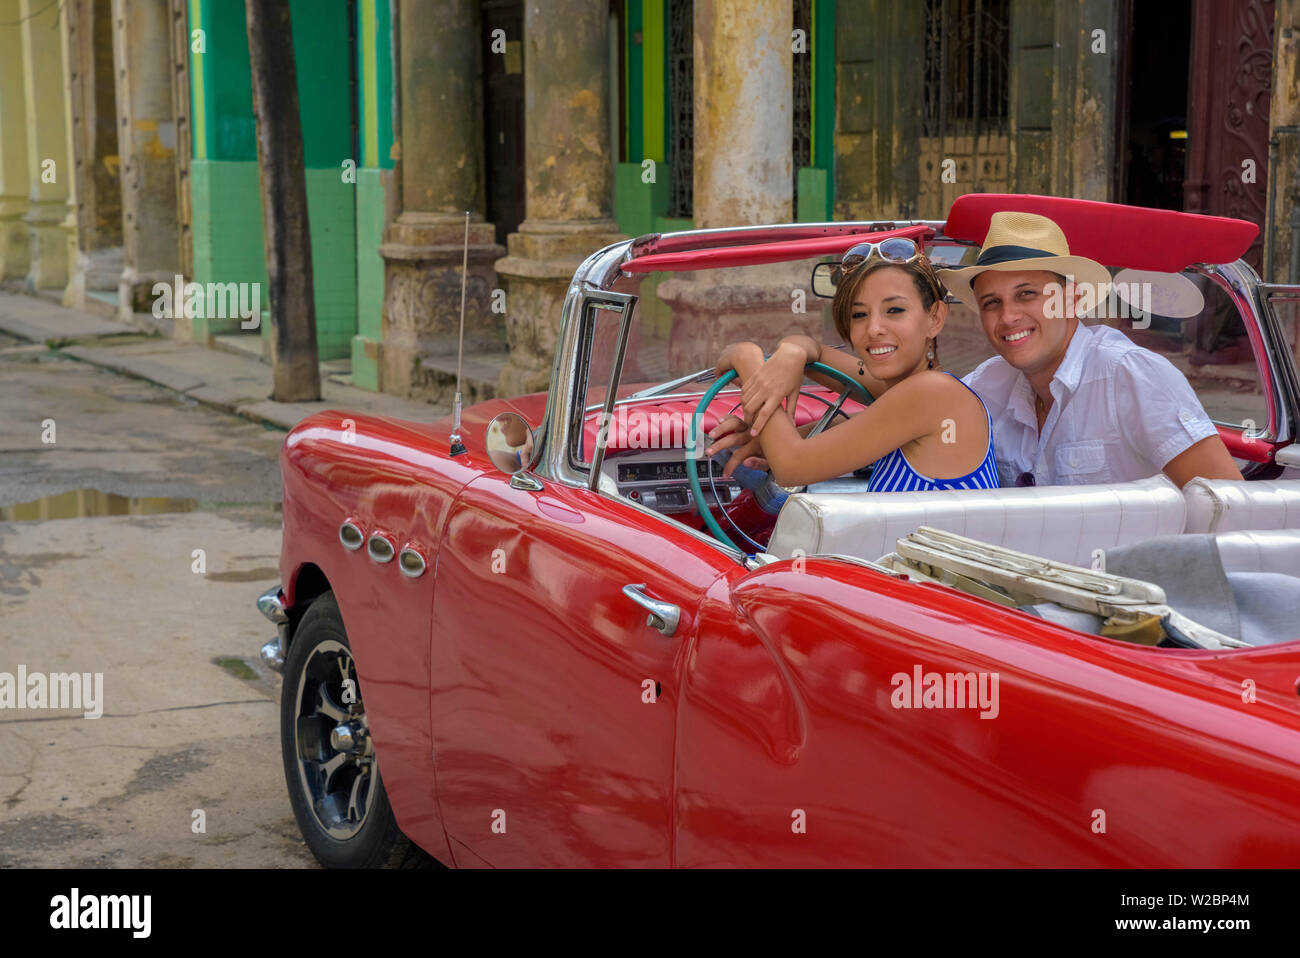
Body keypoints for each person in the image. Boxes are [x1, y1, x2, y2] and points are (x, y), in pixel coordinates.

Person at [734, 211, 1242, 488]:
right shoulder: (995, 383)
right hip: (1028, 611)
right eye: (992, 302)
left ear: (1071, 298)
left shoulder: (1131, 374)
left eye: (1028, 295)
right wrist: (797, 351)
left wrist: (748, 359)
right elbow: (877, 384)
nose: (1008, 318)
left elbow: (1230, 504)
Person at [704, 237, 999, 491]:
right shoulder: (905, 389)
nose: (873, 329)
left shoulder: (933, 393)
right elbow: (815, 352)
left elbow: (793, 466)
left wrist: (748, 359)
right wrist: (793, 352)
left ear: (935, 318)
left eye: (894, 310)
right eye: (859, 315)